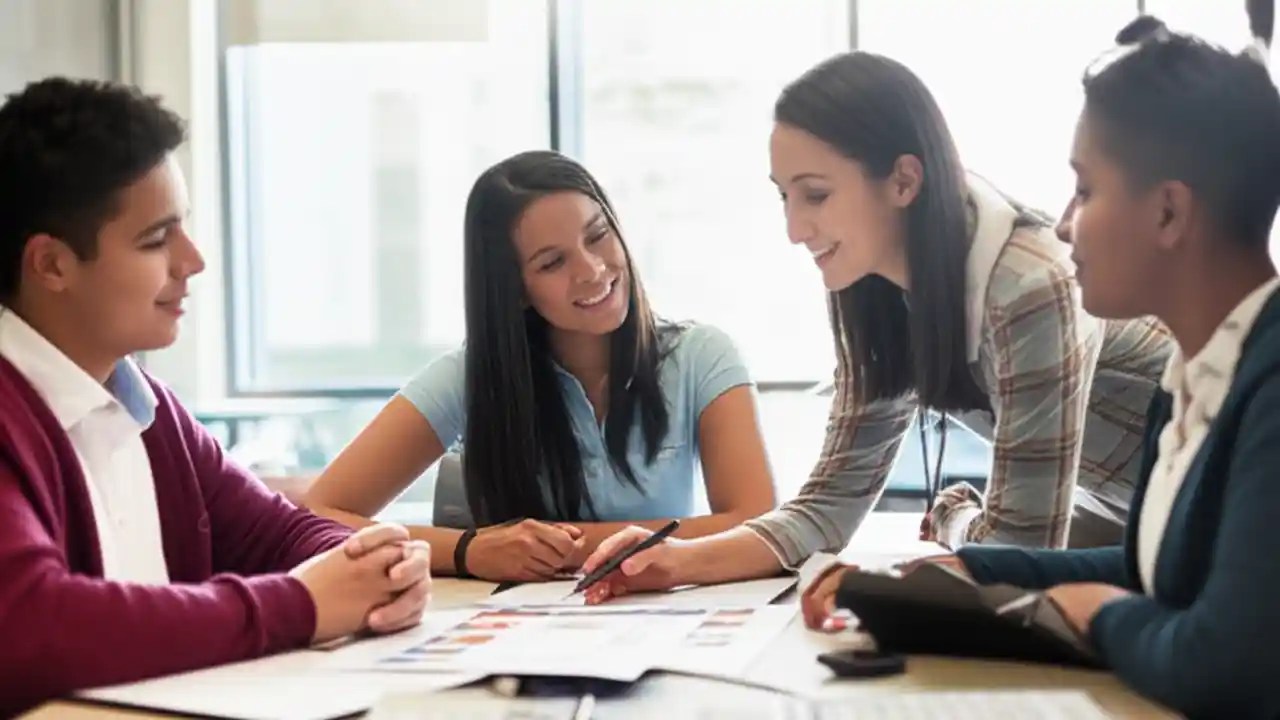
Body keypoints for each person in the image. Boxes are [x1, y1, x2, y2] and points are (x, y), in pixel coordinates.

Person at [809, 6, 1280, 716]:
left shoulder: (1270, 387)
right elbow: (1145, 568)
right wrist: (956, 568)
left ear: (1168, 214)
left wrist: (1098, 613)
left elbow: (1223, 665)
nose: (1062, 224)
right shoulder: (1191, 377)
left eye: (1085, 190)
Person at [579, 47, 1175, 602]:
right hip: (1135, 524)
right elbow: (827, 507)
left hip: (1216, 529)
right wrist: (673, 561)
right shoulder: (876, 289)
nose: (794, 228)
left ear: (903, 181)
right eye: (784, 196)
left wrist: (952, 525)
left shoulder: (1027, 282)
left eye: (815, 195)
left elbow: (1017, 557)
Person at [0, 78, 430, 715]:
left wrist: (374, 564)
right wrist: (305, 605)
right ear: (53, 265)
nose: (192, 260)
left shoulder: (146, 407)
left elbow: (278, 532)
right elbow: (32, 625)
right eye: (155, 240)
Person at [303, 150, 776, 582]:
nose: (592, 270)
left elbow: (757, 524)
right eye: (552, 263)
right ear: (515, 289)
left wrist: (567, 547)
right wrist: (469, 550)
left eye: (598, 235)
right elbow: (316, 516)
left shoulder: (703, 356)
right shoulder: (468, 376)